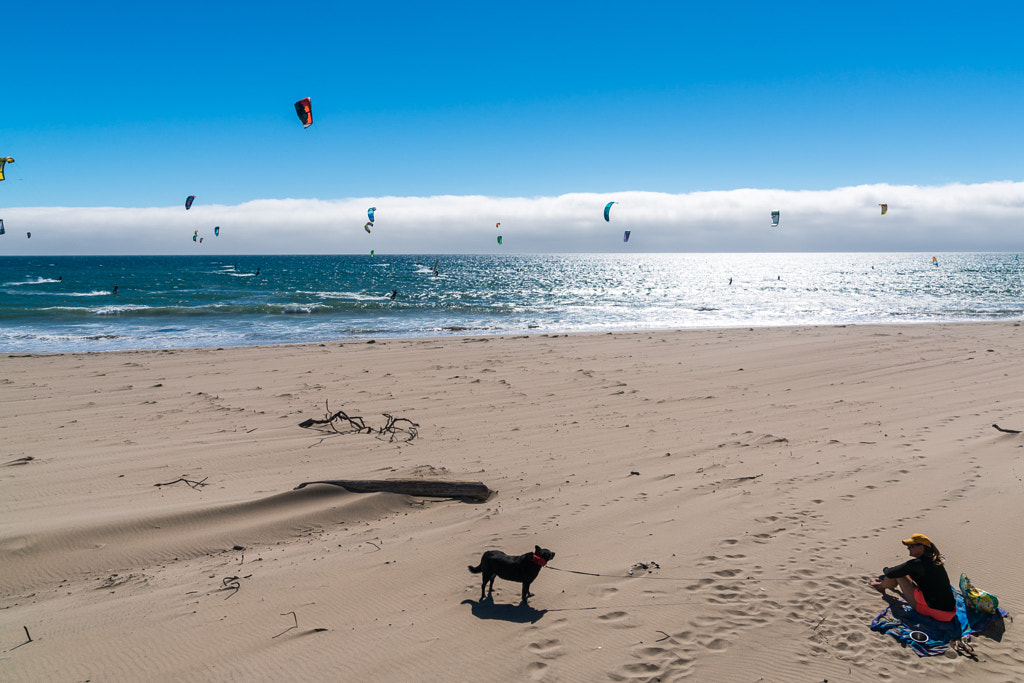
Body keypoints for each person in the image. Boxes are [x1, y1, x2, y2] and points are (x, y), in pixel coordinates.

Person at [868, 533, 957, 621]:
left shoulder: (917, 563)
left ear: (921, 547)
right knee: (901, 571)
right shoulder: (935, 561)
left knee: (898, 574)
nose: (908, 548)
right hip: (950, 612)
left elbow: (890, 573)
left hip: (936, 612)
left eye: (911, 546)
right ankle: (885, 581)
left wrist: (886, 569)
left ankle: (881, 586)